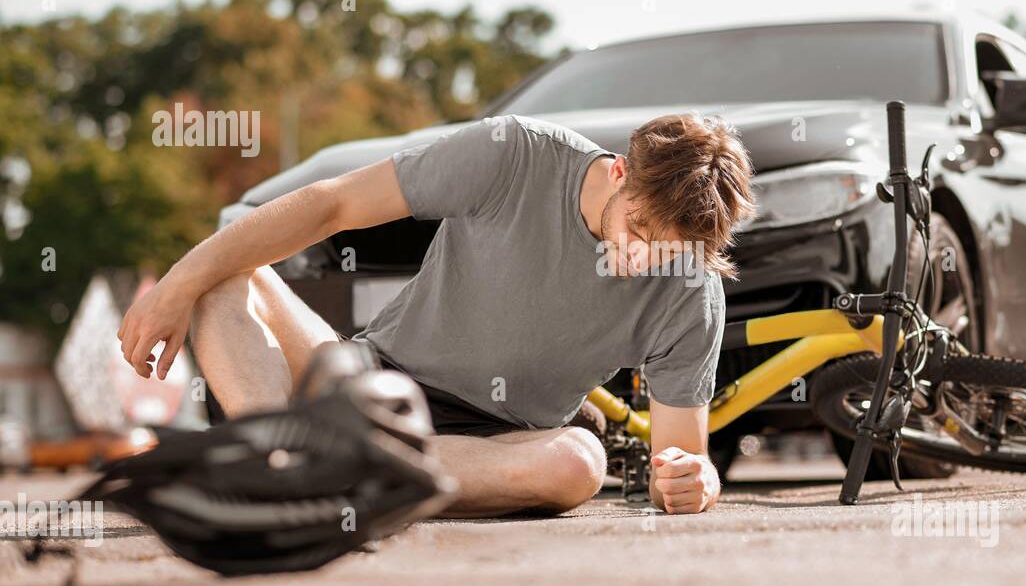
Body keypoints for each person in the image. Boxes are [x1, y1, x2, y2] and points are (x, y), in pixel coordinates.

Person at [117, 113, 755, 517]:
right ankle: (275, 470)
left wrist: (699, 482)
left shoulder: (690, 291)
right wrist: (178, 281)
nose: (643, 260)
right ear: (619, 172)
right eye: (639, 229)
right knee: (227, 273)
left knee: (580, 466)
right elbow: (331, 205)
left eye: (668, 251)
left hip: (497, 441)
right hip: (368, 382)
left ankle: (335, 473)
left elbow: (680, 460)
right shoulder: (514, 155)